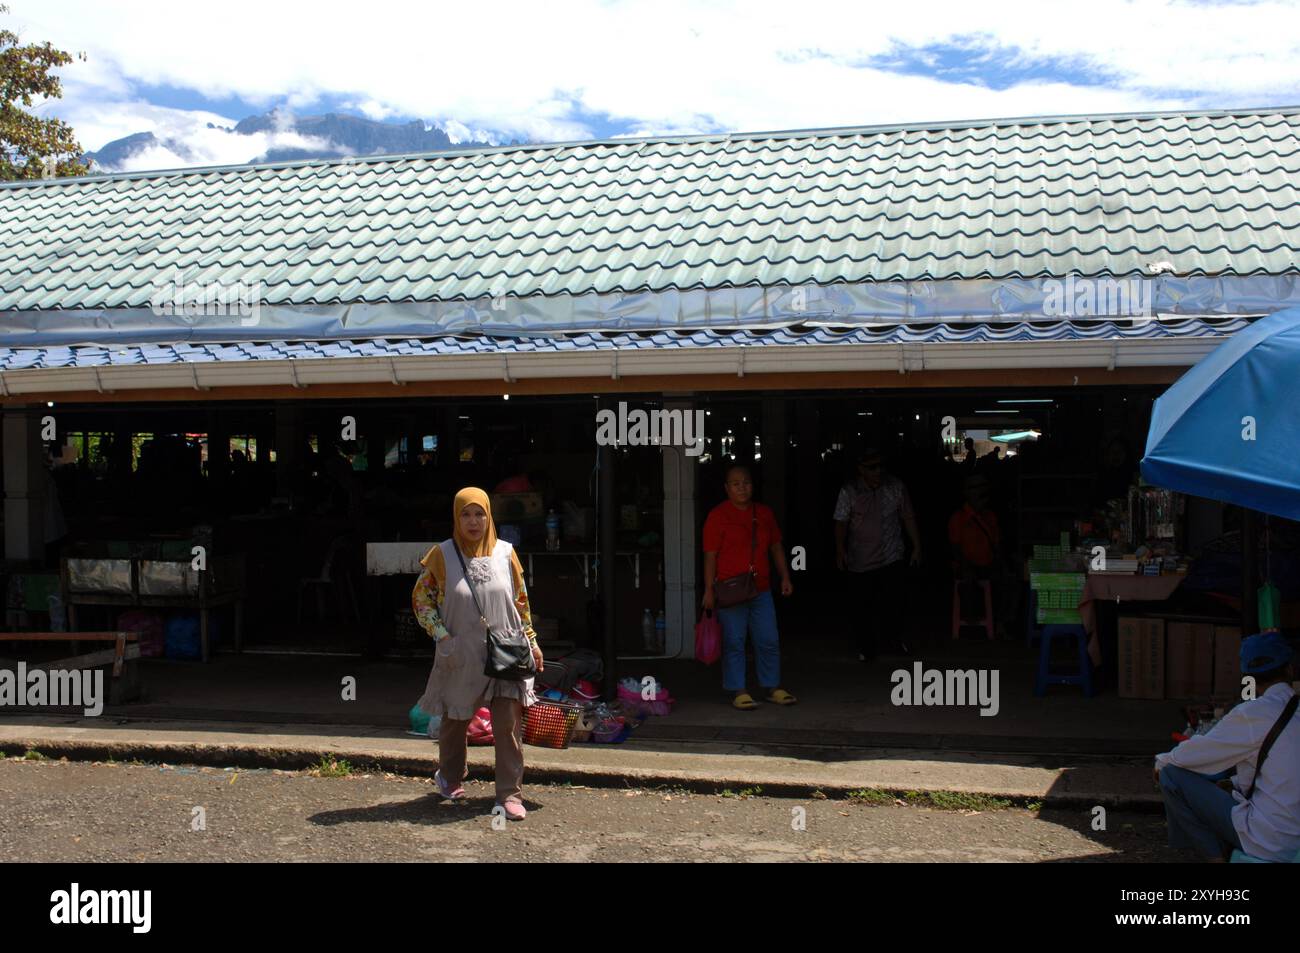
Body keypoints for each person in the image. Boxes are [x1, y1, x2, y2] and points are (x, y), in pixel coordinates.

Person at [412, 487, 544, 821]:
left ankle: (509, 794)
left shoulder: (506, 552)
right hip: (461, 654)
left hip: (506, 651)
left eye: (480, 513)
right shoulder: (441, 555)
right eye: (466, 515)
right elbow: (422, 599)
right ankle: (451, 776)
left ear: (490, 516)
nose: (474, 522)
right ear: (456, 518)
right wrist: (441, 636)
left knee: (507, 725)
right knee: (456, 722)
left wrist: (532, 639)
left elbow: (521, 601)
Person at [1154, 632, 1299, 862]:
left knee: (1171, 776)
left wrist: (1160, 763)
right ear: (1290, 669)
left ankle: (1214, 858)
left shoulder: (1254, 713)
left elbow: (1191, 756)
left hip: (1273, 841)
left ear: (1248, 677)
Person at [701, 465, 797, 710]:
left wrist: (785, 577)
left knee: (768, 639)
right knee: (734, 641)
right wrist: (709, 590)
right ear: (726, 488)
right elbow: (710, 556)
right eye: (736, 483)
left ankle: (772, 687)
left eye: (746, 482)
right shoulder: (717, 516)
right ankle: (738, 690)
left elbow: (776, 547)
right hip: (730, 591)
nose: (742, 487)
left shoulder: (764, 513)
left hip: (761, 588)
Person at [833, 447, 922, 660]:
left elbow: (908, 517)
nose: (878, 471)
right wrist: (839, 549)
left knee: (894, 602)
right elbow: (840, 523)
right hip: (860, 559)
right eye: (872, 467)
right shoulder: (850, 491)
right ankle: (866, 646)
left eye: (880, 466)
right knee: (861, 606)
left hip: (892, 554)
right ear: (861, 469)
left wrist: (917, 546)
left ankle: (892, 640)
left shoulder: (895, 487)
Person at [948, 474, 1003, 634]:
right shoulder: (958, 518)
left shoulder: (990, 516)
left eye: (982, 487)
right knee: (968, 583)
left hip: (988, 564)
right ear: (966, 492)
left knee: (1008, 581)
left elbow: (997, 545)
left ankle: (1000, 622)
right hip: (967, 565)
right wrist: (966, 567)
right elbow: (955, 549)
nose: (980, 492)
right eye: (975, 488)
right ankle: (972, 622)